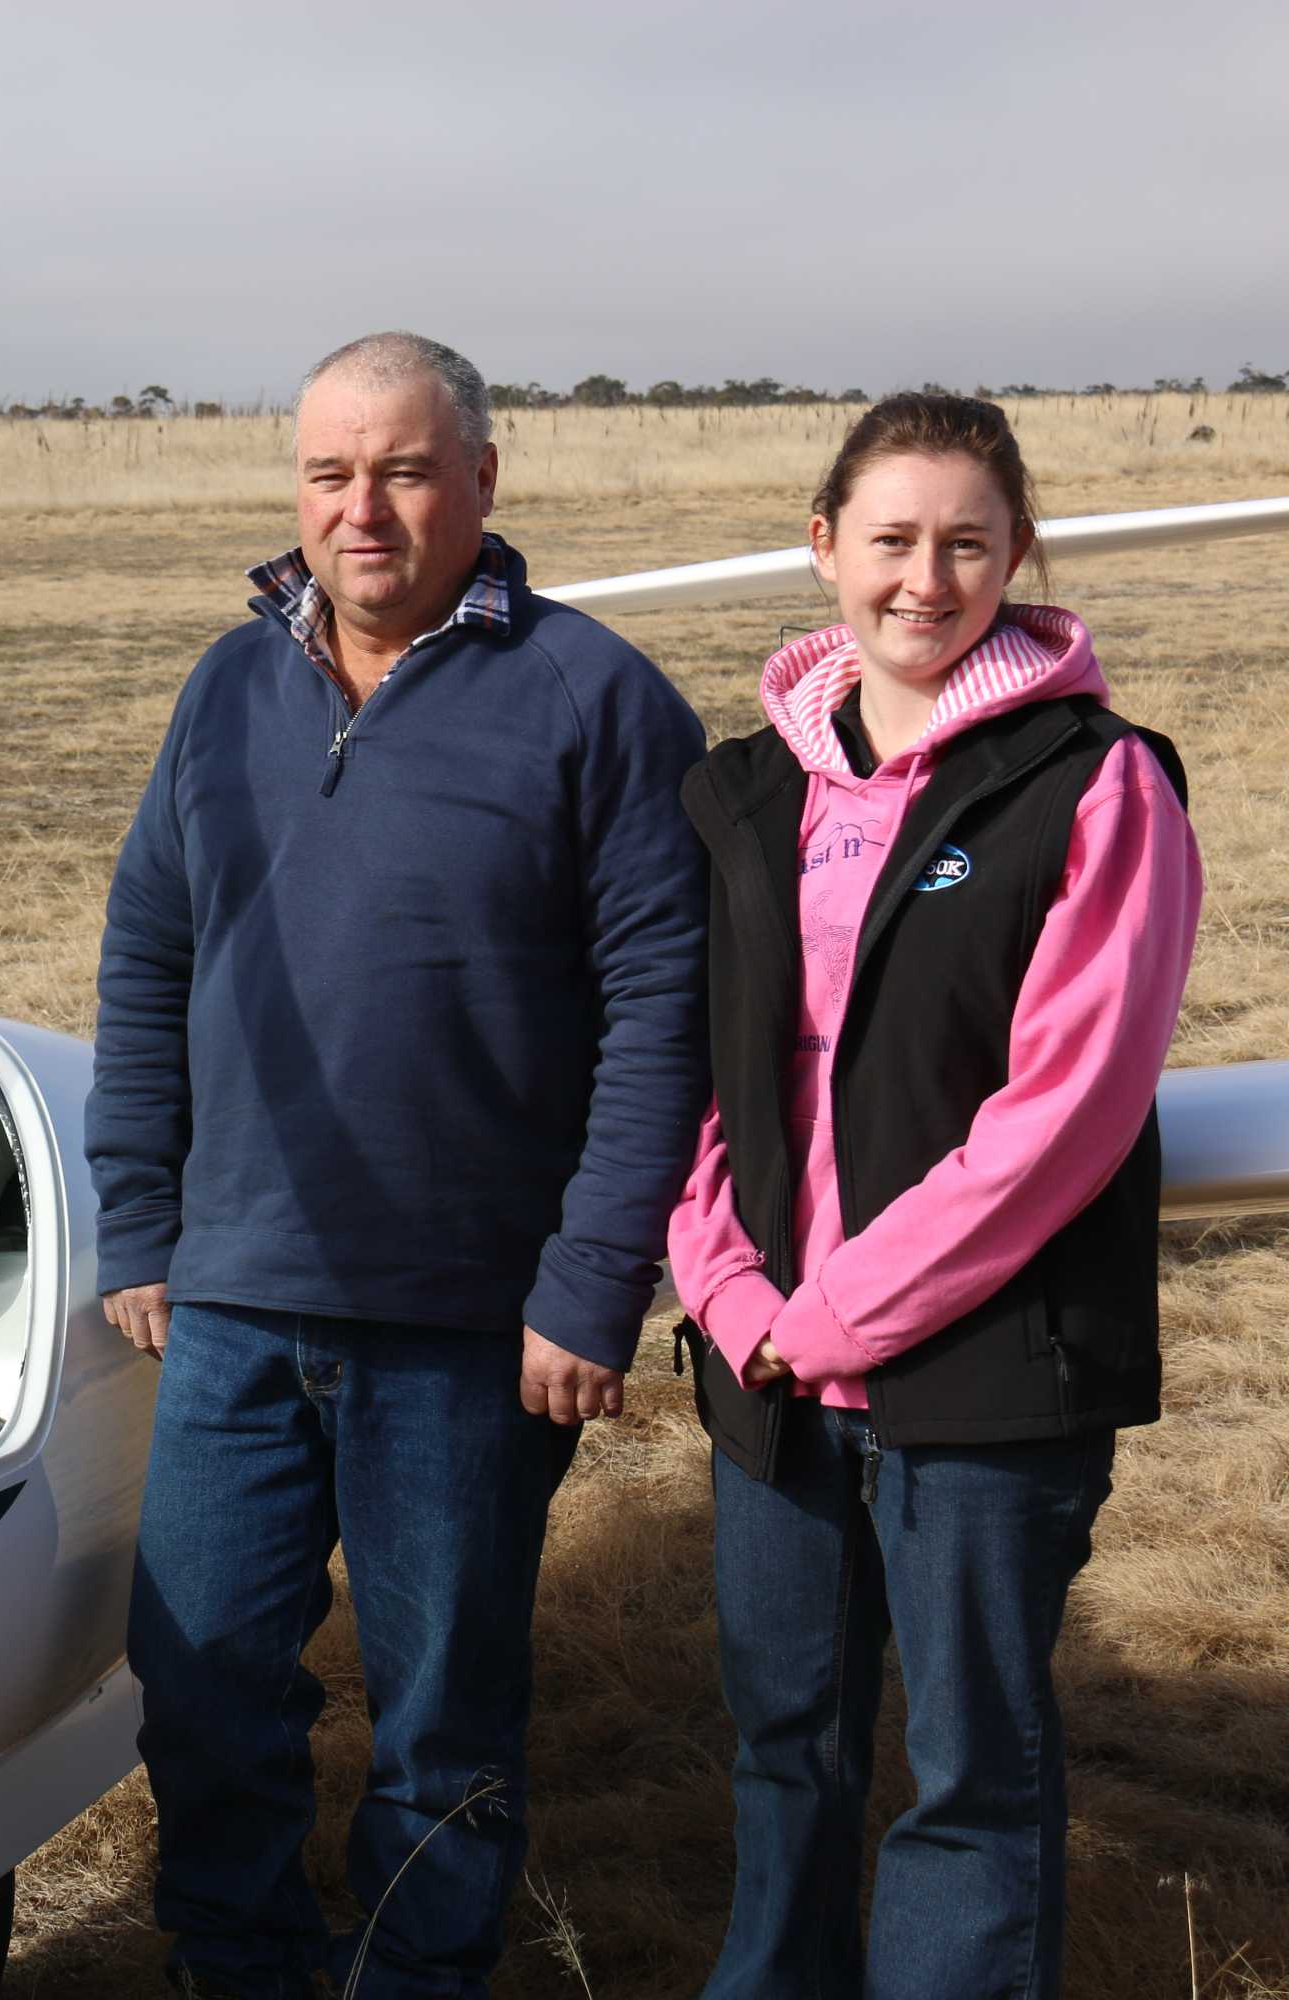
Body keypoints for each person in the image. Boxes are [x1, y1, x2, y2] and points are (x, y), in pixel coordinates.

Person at [89, 331, 707, 2000]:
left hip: (467, 1319)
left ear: (483, 483)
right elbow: (151, 950)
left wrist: (592, 1281)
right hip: (229, 1298)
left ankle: (416, 1981)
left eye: (405, 471)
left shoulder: (598, 701)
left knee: (444, 1711)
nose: (362, 511)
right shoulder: (228, 686)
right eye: (328, 473)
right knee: (205, 1677)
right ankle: (244, 1965)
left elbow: (667, 1008)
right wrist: (139, 1215)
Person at [667, 392, 1203, 2000]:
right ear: (822, 546)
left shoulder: (1098, 783)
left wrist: (836, 1310)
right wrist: (734, 1295)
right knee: (785, 1747)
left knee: (971, 1774)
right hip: (766, 1368)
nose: (926, 577)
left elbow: (1067, 1114)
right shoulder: (743, 791)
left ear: (1018, 552)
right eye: (890, 538)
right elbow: (697, 1083)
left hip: (986, 1370)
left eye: (967, 541)